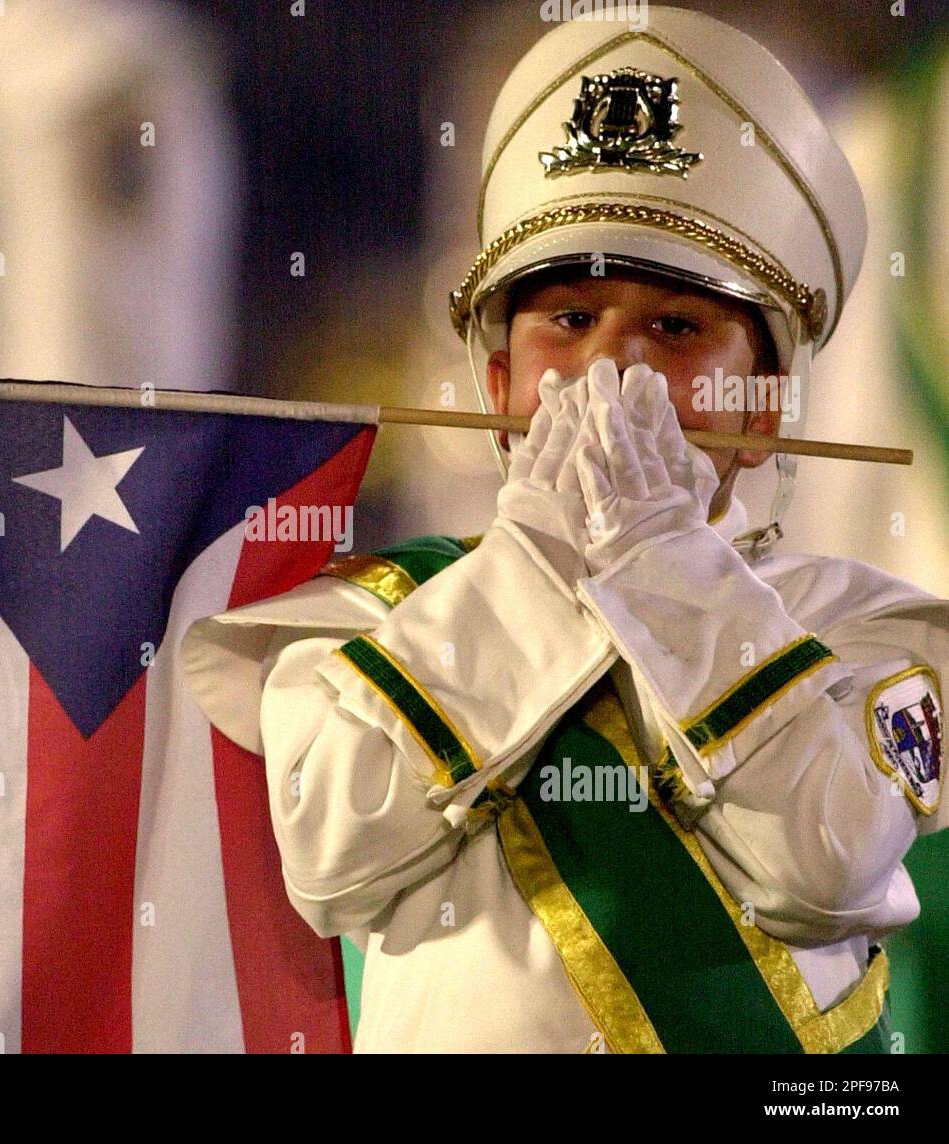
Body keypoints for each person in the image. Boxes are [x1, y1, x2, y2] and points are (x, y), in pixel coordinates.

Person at [179, 6, 948, 1052]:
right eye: (569, 323)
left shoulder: (869, 633)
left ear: (766, 407)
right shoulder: (363, 620)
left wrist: (657, 557)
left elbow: (826, 864)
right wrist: (541, 559)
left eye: (675, 328)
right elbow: (334, 851)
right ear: (497, 386)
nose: (610, 371)